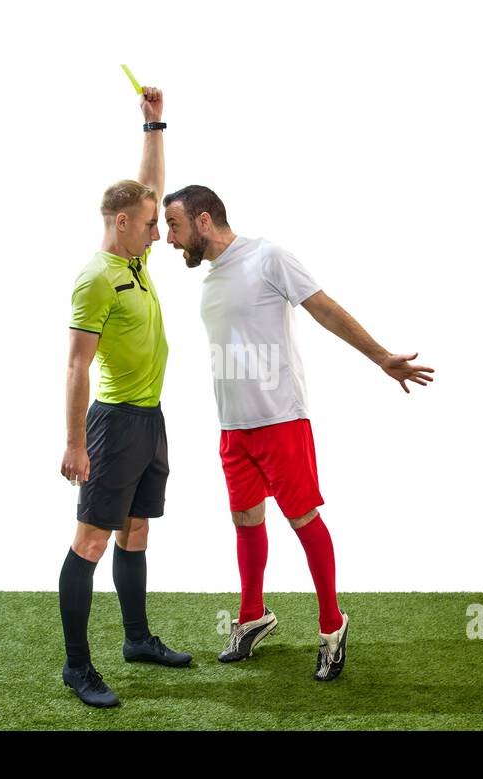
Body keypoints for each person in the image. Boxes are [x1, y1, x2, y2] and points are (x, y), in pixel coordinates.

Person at [162, 184, 433, 681]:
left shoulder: (268, 257)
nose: (168, 239)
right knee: (245, 519)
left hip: (280, 420)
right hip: (233, 426)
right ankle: (252, 617)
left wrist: (380, 357)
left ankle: (333, 626)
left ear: (203, 221)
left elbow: (323, 308)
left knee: (303, 519)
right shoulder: (210, 280)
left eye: (174, 227)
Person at [57, 86, 190, 709]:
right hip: (111, 424)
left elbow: (148, 191)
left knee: (135, 531)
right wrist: (75, 443)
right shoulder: (97, 278)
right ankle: (77, 667)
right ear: (120, 225)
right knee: (91, 539)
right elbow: (76, 365)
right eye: (147, 225)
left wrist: (153, 124)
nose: (158, 233)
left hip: (150, 419)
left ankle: (136, 640)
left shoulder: (134, 261)